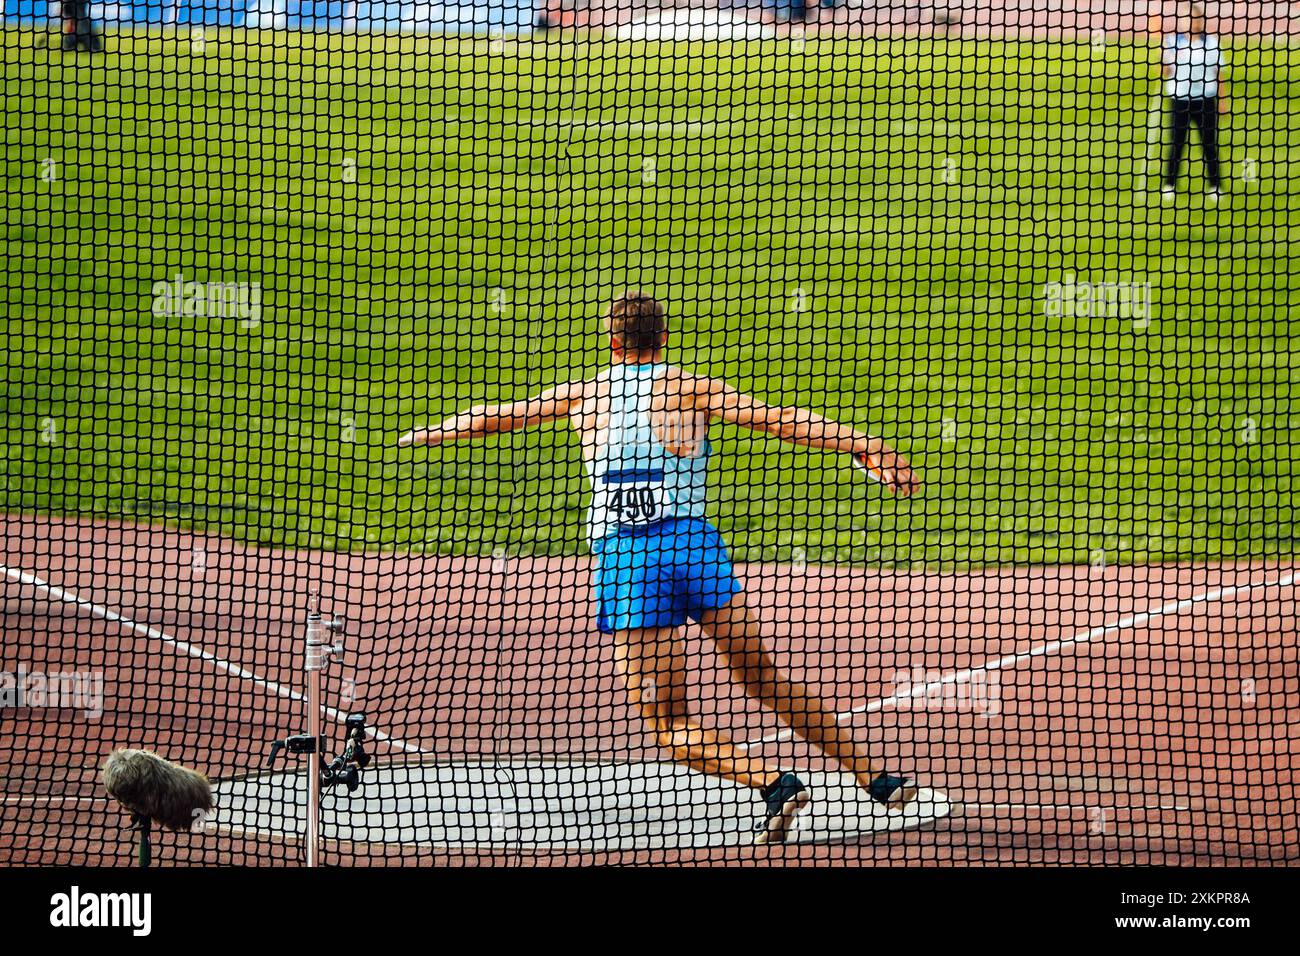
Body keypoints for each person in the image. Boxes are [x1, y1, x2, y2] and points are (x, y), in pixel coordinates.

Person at [399, 292, 923, 844]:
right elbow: (783, 420)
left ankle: (773, 783)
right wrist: (868, 445)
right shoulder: (690, 387)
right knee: (765, 679)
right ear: (664, 338)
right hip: (695, 551)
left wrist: (431, 432)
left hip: (632, 564)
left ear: (613, 341)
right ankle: (877, 778)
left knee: (669, 726)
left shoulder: (585, 395)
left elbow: (496, 418)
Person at [1161, 2, 1226, 201]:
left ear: (1201, 21)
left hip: (1205, 99)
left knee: (1209, 144)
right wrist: (1163, 63)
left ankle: (1215, 185)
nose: (1191, 22)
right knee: (1177, 143)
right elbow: (1163, 71)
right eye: (1187, 18)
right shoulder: (1172, 42)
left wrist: (1223, 101)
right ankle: (1169, 184)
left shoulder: (1211, 43)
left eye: (1195, 18)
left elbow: (1219, 73)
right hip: (1180, 99)